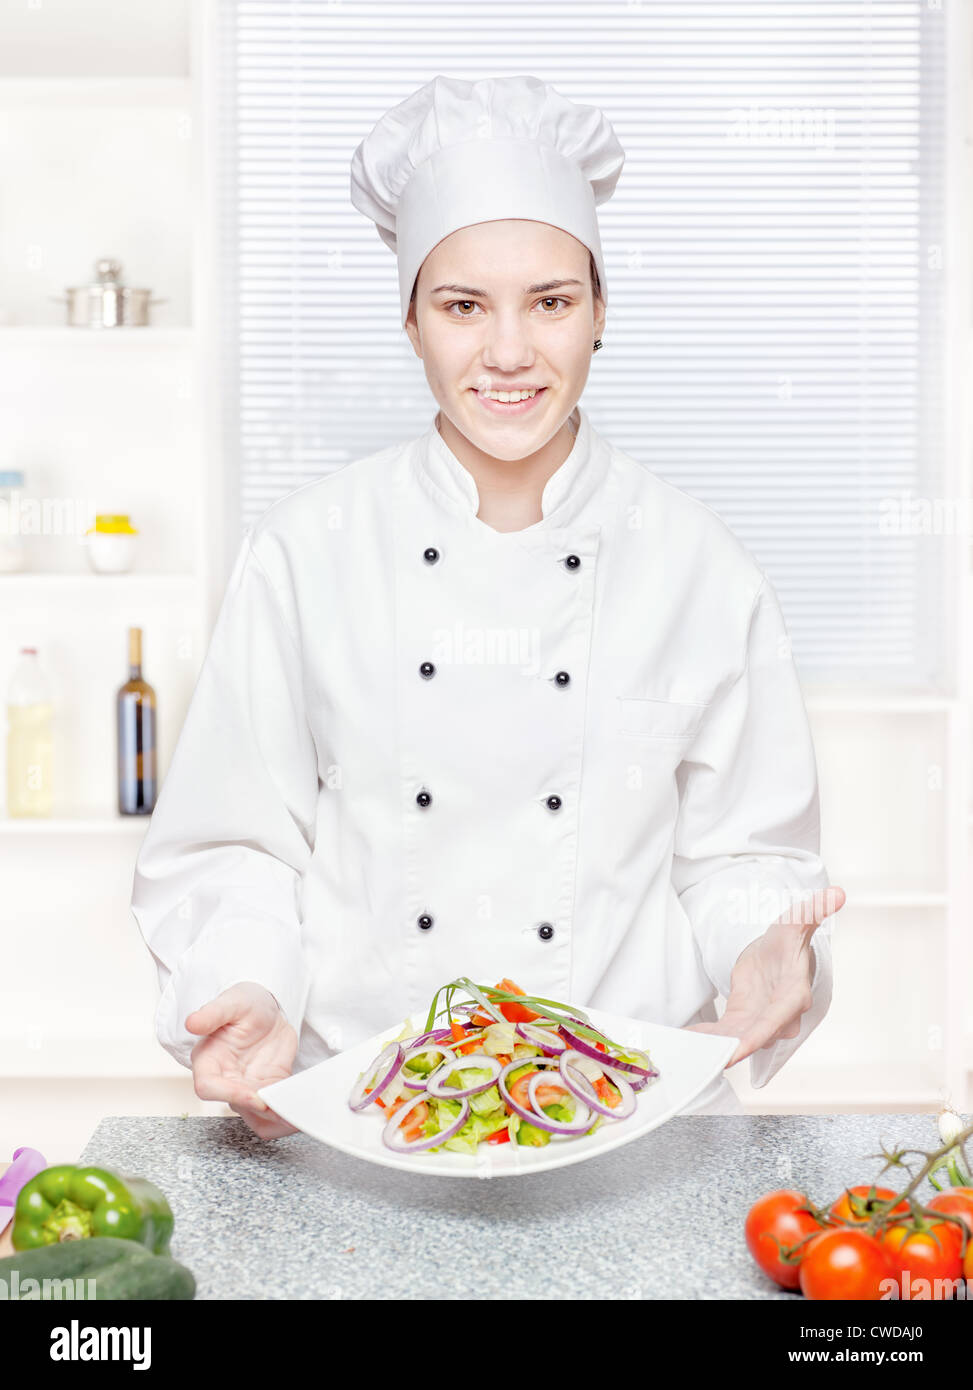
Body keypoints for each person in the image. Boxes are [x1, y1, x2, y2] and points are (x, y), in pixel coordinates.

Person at [130, 75, 845, 1139]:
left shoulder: (697, 564)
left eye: (551, 301)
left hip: (622, 1118)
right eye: (464, 304)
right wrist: (253, 989)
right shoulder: (305, 553)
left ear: (601, 313)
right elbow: (235, 845)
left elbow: (741, 855)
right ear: (410, 318)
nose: (509, 352)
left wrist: (762, 945)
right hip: (354, 1115)